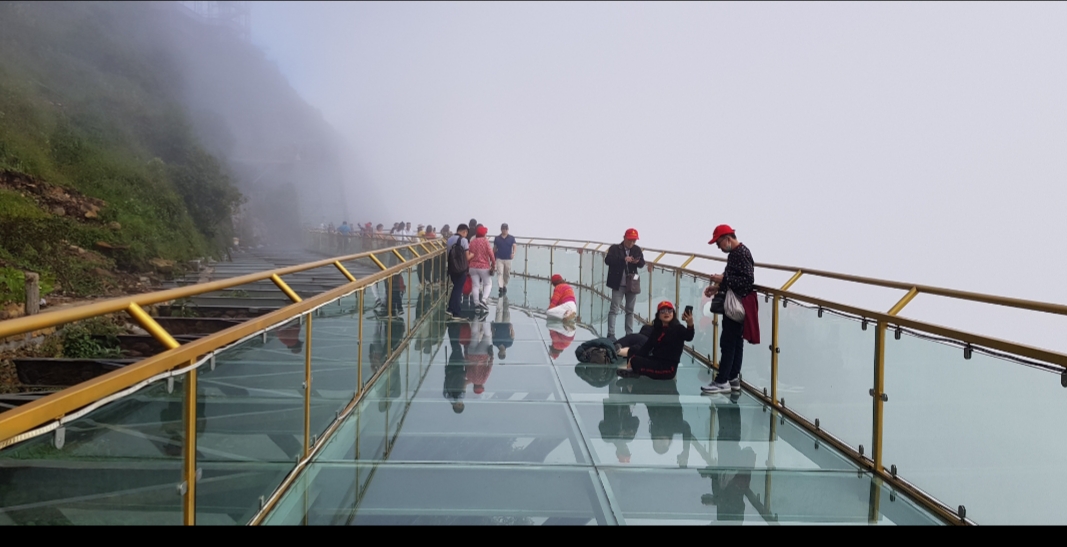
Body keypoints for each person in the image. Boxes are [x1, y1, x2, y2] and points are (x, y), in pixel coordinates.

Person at [701, 225, 755, 394]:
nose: (719, 247)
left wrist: (723, 278)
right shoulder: (738, 253)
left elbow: (747, 280)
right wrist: (718, 287)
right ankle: (732, 378)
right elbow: (738, 279)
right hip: (738, 303)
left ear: (727, 239)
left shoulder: (740, 253)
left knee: (728, 343)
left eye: (719, 244)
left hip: (735, 305)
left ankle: (722, 380)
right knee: (736, 343)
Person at [617, 301, 694, 380]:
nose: (666, 313)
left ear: (673, 313)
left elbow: (689, 336)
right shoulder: (657, 330)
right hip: (656, 361)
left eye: (669, 310)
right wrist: (632, 357)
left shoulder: (678, 328)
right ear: (658, 315)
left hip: (668, 369)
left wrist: (690, 324)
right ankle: (633, 371)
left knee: (636, 361)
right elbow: (646, 347)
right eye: (663, 311)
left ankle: (634, 371)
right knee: (633, 351)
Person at [605, 228, 645, 340]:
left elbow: (642, 263)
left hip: (632, 284)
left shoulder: (637, 249)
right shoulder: (614, 248)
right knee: (614, 309)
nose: (632, 243)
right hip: (618, 283)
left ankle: (629, 334)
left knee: (630, 310)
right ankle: (611, 334)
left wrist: (637, 262)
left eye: (634, 240)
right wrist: (623, 259)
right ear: (624, 238)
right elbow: (608, 260)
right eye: (630, 240)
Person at [447, 224, 474, 319]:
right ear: (464, 231)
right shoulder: (464, 240)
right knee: (459, 289)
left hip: (452, 268)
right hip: (461, 269)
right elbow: (467, 257)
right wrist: (473, 254)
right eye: (466, 233)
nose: (466, 235)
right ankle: (456, 312)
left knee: (456, 287)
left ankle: (450, 309)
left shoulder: (449, 240)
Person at [468, 225, 496, 312]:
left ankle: (476, 303)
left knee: (475, 285)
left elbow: (469, 254)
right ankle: (483, 301)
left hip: (472, 267)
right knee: (488, 284)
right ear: (484, 234)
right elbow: (491, 254)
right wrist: (493, 264)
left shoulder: (472, 242)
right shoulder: (485, 242)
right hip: (484, 267)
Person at [493, 223, 516, 297]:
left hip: (508, 258)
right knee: (500, 273)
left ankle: (504, 284)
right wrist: (493, 256)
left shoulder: (511, 238)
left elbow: (514, 246)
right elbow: (495, 248)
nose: (504, 230)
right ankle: (500, 286)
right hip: (499, 258)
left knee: (507, 273)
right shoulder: (497, 238)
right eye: (503, 229)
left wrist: (513, 253)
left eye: (506, 229)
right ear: (501, 229)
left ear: (507, 229)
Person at [492, 295, 514, 360]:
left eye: (500, 354)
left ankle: (500, 297)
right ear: (505, 353)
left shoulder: (495, 343)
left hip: (498, 324)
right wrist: (512, 328)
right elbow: (512, 336)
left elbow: (493, 333)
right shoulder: (509, 344)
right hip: (506, 325)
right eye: (503, 354)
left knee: (499, 311)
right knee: (506, 310)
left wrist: (492, 326)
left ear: (498, 353)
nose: (502, 352)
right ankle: (505, 296)